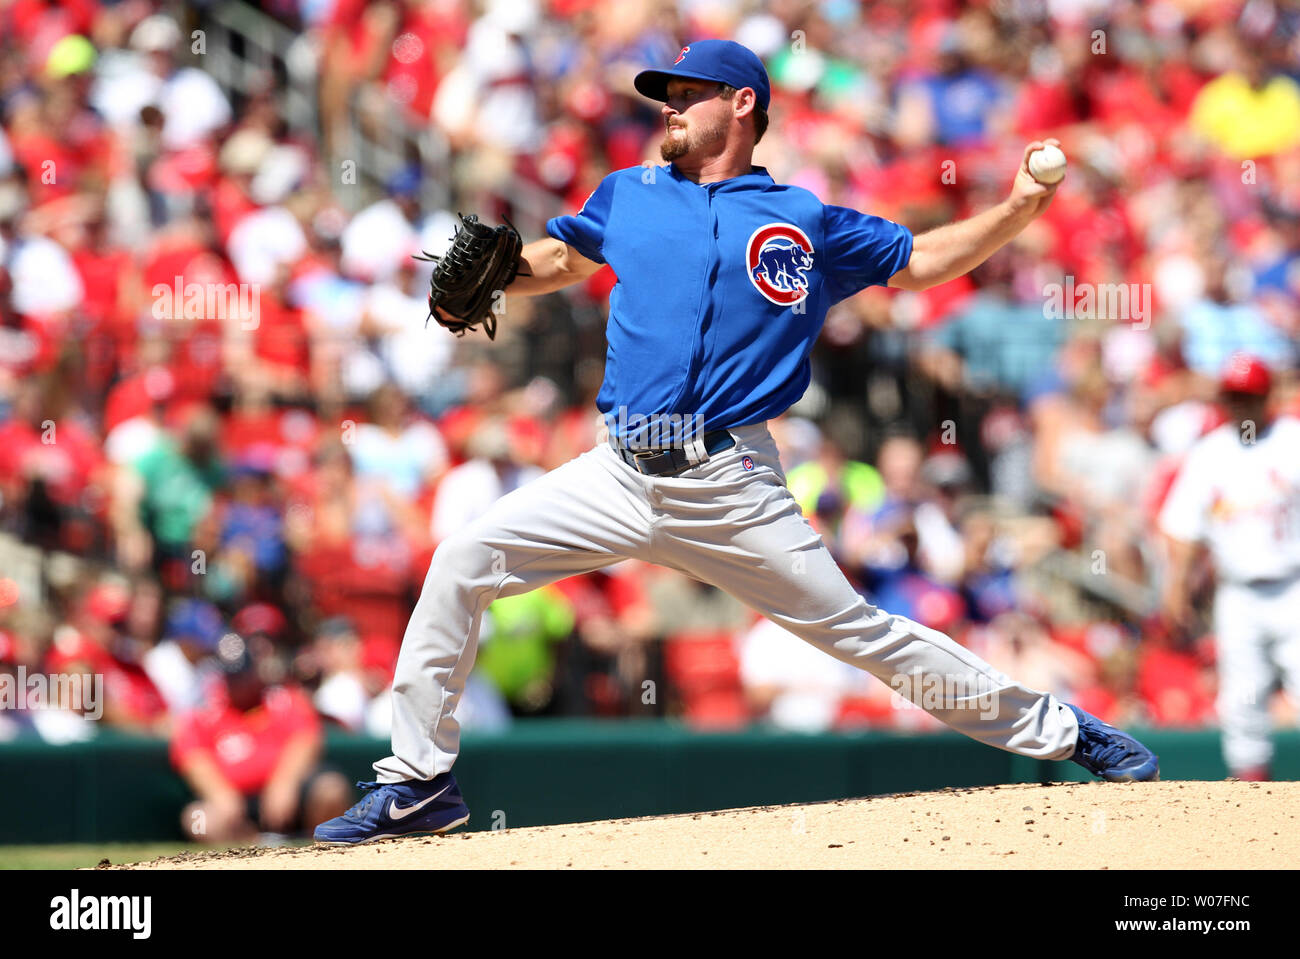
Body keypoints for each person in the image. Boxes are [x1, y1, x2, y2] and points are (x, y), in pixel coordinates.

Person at [315, 39, 1159, 844]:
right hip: (617, 468)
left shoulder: (802, 219)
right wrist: (495, 281)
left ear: (742, 104)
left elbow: (923, 260)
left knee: (862, 633)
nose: (669, 109)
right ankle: (418, 782)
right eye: (666, 97)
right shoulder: (631, 192)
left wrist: (1017, 208)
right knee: (463, 557)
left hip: (730, 480)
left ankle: (1063, 731)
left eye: (687, 95)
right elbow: (563, 262)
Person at [1158, 353, 1300, 781]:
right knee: (1241, 701)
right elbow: (1181, 529)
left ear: (1267, 396)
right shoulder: (1210, 452)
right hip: (1238, 593)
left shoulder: (1292, 439)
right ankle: (1250, 802)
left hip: (1293, 585)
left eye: (1249, 396)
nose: (1242, 406)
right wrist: (1176, 590)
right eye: (1234, 397)